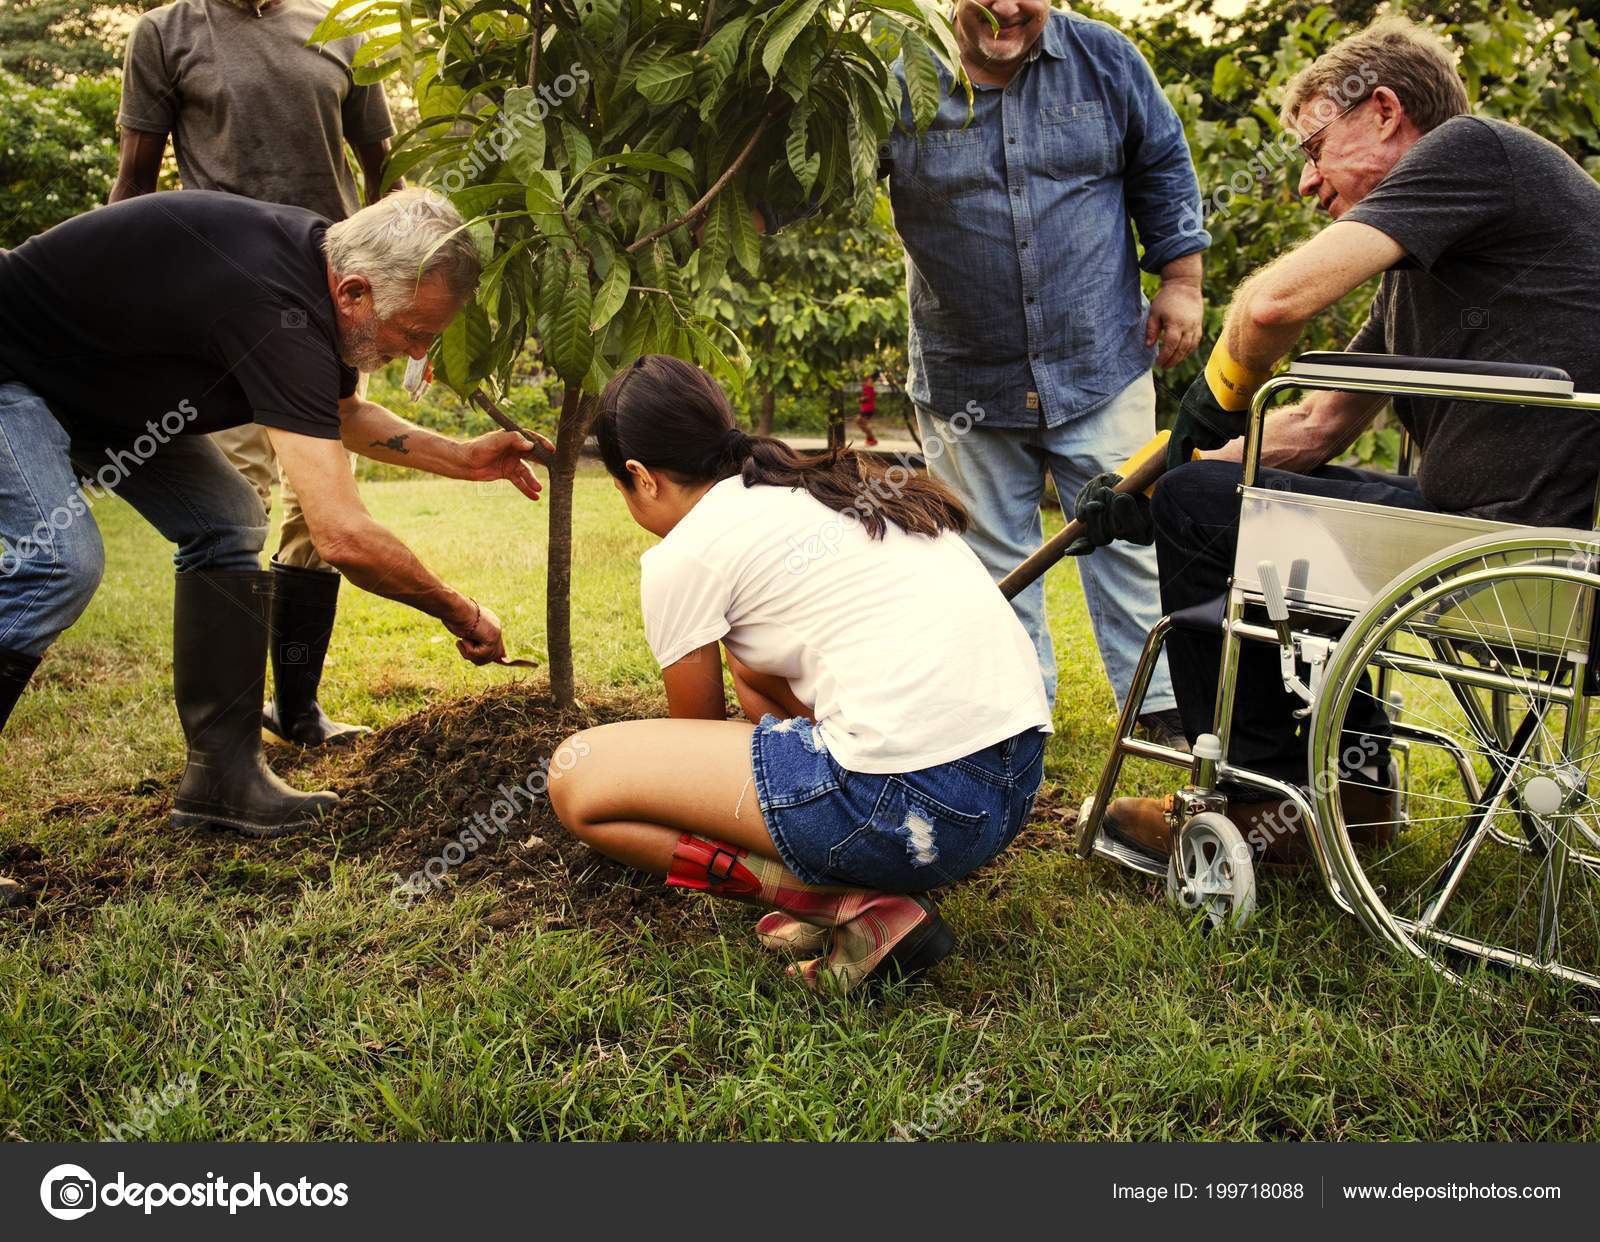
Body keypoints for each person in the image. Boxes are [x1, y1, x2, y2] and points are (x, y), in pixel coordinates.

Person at [1071, 17, 1600, 857]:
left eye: (1315, 148)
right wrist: (1162, 474)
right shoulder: (1426, 262)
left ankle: (1266, 801)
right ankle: (1336, 797)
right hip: (1476, 529)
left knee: (1206, 506)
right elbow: (1315, 426)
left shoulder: (1471, 150)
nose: (1310, 184)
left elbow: (1272, 306)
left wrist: (1213, 399)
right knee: (1203, 496)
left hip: (1515, 549)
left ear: (1384, 111)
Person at [0, 188, 550, 839]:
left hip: (100, 398)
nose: (418, 352)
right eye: (417, 333)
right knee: (58, 563)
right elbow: (342, 536)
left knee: (227, 520)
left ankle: (223, 782)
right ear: (354, 294)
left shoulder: (321, 278)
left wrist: (461, 457)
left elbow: (344, 415)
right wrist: (459, 610)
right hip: (13, 369)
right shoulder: (272, 301)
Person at [547, 356, 1051, 992]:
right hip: (1006, 794)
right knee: (751, 668)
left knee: (576, 776)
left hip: (909, 807)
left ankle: (845, 906)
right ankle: (858, 871)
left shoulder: (685, 555)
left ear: (640, 477)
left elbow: (695, 737)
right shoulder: (820, 486)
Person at [853, 0, 1209, 746]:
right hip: (965, 379)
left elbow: (1164, 162)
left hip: (1097, 361)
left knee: (1129, 539)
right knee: (993, 562)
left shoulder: (1106, 59)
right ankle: (1015, 718)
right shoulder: (892, 72)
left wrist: (1182, 279)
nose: (1008, 7)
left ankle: (1160, 712)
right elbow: (813, 177)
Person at [112, 0, 402, 748]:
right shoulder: (166, 33)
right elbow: (134, 182)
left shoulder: (340, 23)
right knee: (239, 503)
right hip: (223, 307)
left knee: (317, 510)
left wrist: (395, 300)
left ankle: (298, 707)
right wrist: (128, 303)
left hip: (332, 304)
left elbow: (382, 175)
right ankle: (231, 733)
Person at [856, 374, 879, 446]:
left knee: (862, 423)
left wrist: (860, 399)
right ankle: (870, 439)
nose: (870, 381)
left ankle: (872, 439)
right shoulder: (865, 387)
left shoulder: (870, 388)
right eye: (868, 380)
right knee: (859, 422)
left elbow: (867, 397)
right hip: (865, 408)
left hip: (868, 409)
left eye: (870, 380)